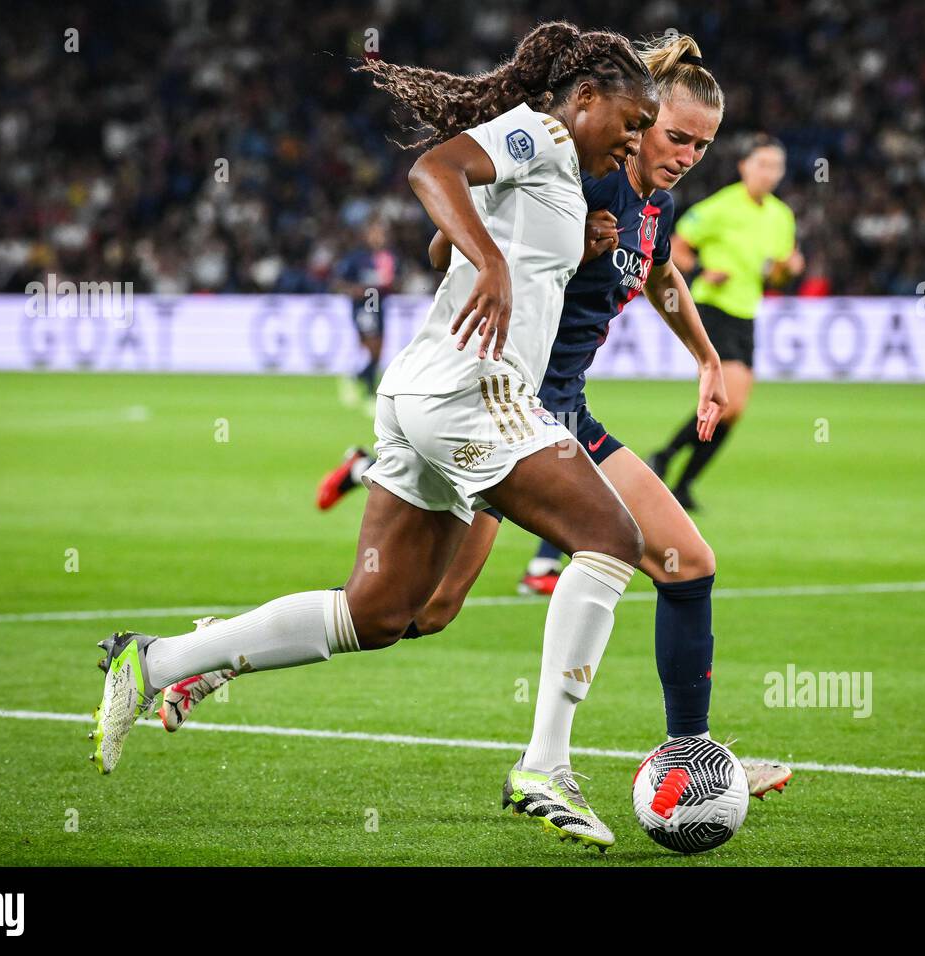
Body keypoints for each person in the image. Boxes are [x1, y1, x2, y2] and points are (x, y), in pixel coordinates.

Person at [89, 21, 660, 853]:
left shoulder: (562, 171)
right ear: (583, 99)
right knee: (612, 539)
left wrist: (551, 245)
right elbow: (433, 171)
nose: (636, 141)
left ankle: (161, 659)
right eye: (632, 122)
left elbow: (443, 239)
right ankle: (546, 766)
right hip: (473, 390)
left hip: (421, 392)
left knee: (382, 613)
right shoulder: (537, 132)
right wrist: (495, 265)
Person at [228, 33, 791, 803]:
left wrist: (704, 356)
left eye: (705, 144)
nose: (690, 153)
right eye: (676, 135)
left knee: (678, 562)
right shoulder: (574, 167)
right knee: (420, 609)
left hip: (565, 415)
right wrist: (518, 254)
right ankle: (219, 658)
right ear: (644, 115)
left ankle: (685, 756)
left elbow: (658, 272)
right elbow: (439, 246)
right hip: (507, 410)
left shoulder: (653, 201)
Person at [648, 133, 804, 510]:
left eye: (775, 167)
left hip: (746, 312)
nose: (769, 174)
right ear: (744, 167)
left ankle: (680, 479)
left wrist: (787, 270)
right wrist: (702, 269)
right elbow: (677, 245)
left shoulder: (781, 217)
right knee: (728, 404)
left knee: (734, 410)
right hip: (712, 308)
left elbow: (776, 276)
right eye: (762, 164)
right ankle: (665, 457)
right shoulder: (720, 207)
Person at [334, 217, 398, 400]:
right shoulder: (356, 258)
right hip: (364, 306)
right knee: (372, 346)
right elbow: (338, 283)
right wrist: (356, 290)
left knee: (379, 350)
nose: (378, 237)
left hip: (379, 305)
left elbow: (394, 282)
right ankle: (367, 386)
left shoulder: (389, 257)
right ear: (366, 235)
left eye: (381, 234)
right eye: (374, 233)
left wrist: (389, 284)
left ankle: (361, 380)